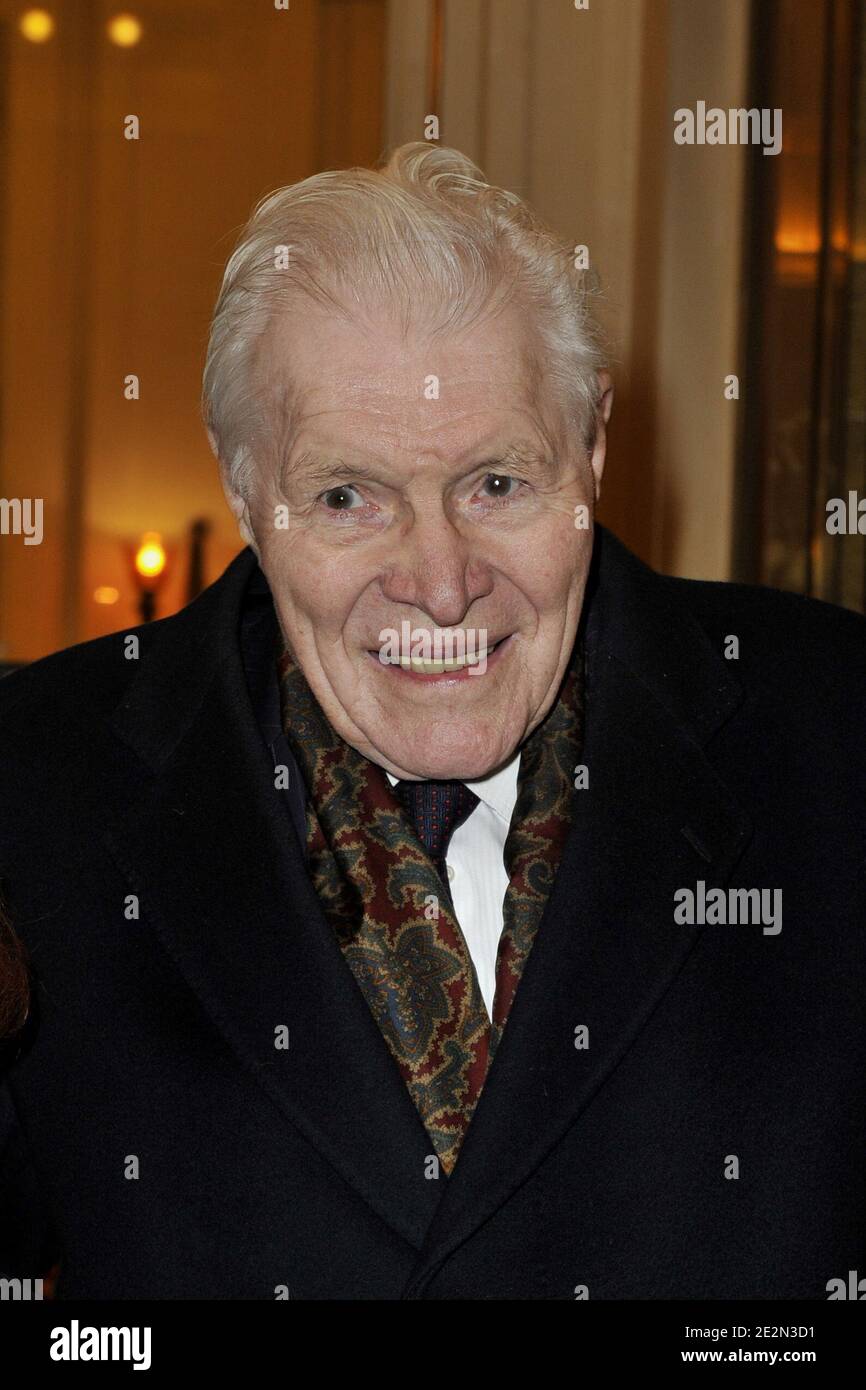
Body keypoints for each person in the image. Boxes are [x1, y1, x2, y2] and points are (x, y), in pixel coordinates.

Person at [1, 144, 863, 1300]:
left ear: (593, 445)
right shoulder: (31, 786)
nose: (441, 582)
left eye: (496, 484)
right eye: (348, 496)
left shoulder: (838, 737)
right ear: (244, 486)